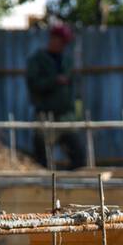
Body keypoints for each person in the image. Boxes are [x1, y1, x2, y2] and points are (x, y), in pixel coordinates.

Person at [26, 22, 81, 167]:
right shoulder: (38, 60)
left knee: (78, 157)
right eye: (61, 41)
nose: (62, 45)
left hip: (65, 116)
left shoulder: (66, 60)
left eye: (65, 43)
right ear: (53, 39)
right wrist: (54, 80)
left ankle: (70, 187)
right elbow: (33, 84)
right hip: (45, 115)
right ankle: (43, 187)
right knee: (42, 161)